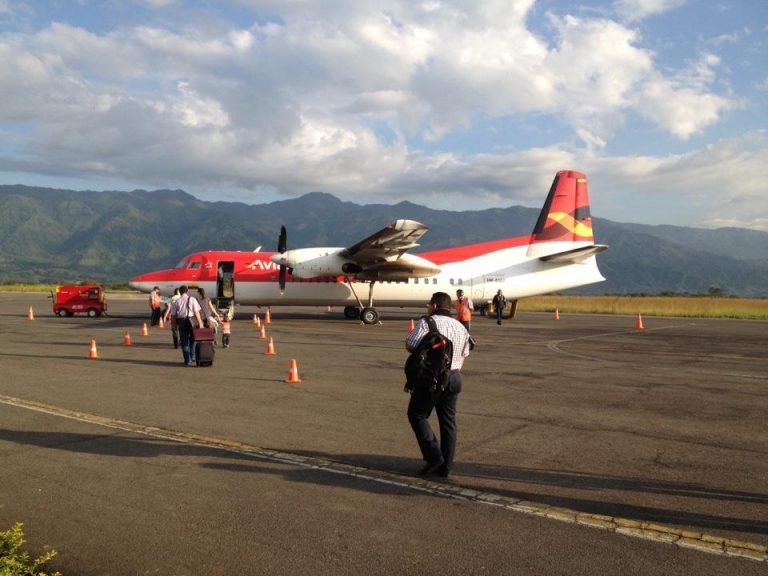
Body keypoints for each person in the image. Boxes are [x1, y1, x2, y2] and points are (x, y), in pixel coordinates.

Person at [405, 291, 472, 479]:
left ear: (434, 305)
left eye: (429, 304)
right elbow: (465, 353)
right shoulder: (460, 326)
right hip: (455, 377)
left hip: (432, 378)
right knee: (448, 421)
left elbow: (410, 345)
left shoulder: (427, 322)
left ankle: (434, 457)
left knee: (417, 414)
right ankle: (446, 467)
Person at [170, 285, 203, 366]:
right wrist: (200, 323)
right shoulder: (192, 299)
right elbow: (196, 312)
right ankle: (193, 356)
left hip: (181, 321)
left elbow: (173, 315)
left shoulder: (176, 301)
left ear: (180, 292)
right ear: (187, 291)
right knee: (194, 339)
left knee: (184, 341)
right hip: (191, 320)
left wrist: (173, 326)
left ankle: (187, 360)